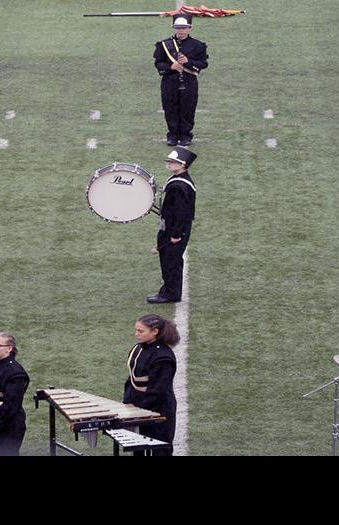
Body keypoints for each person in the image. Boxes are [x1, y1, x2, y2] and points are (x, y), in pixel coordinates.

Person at [123, 314, 179, 455]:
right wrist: (127, 402)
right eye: (136, 330)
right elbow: (131, 379)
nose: (136, 334)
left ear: (154, 331)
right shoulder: (138, 349)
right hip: (139, 407)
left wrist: (141, 410)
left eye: (141, 331)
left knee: (159, 450)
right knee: (139, 449)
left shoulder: (163, 357)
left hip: (159, 411)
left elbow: (158, 391)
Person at [148, 146, 196, 304]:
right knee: (168, 259)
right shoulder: (178, 180)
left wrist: (176, 234)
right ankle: (169, 291)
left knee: (171, 261)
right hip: (170, 227)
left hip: (175, 230)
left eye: (173, 161)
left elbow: (181, 213)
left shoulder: (179, 186)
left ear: (183, 165)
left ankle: (171, 294)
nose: (169, 163)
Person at [154, 13, 208, 146]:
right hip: (169, 82)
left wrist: (188, 62)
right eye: (178, 28)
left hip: (189, 82)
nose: (181, 30)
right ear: (174, 28)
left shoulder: (198, 45)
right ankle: (172, 135)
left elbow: (203, 63)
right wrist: (171, 67)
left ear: (189, 28)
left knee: (188, 108)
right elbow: (158, 63)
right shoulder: (163, 45)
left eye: (184, 28)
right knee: (170, 108)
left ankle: (186, 135)